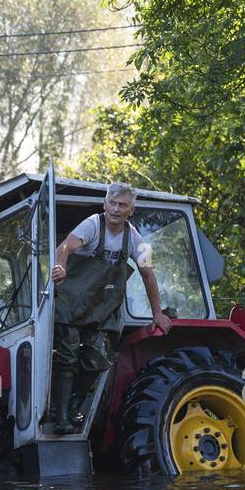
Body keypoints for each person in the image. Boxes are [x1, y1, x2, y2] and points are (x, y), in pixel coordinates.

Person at [48, 182, 173, 434]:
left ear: (131, 209)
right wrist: (60, 266)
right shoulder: (91, 225)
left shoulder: (137, 239)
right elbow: (65, 247)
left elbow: (148, 275)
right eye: (112, 203)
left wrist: (157, 313)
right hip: (71, 304)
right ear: (105, 204)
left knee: (99, 357)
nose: (116, 209)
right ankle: (60, 417)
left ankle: (73, 403)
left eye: (122, 205)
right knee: (67, 358)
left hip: (101, 309)